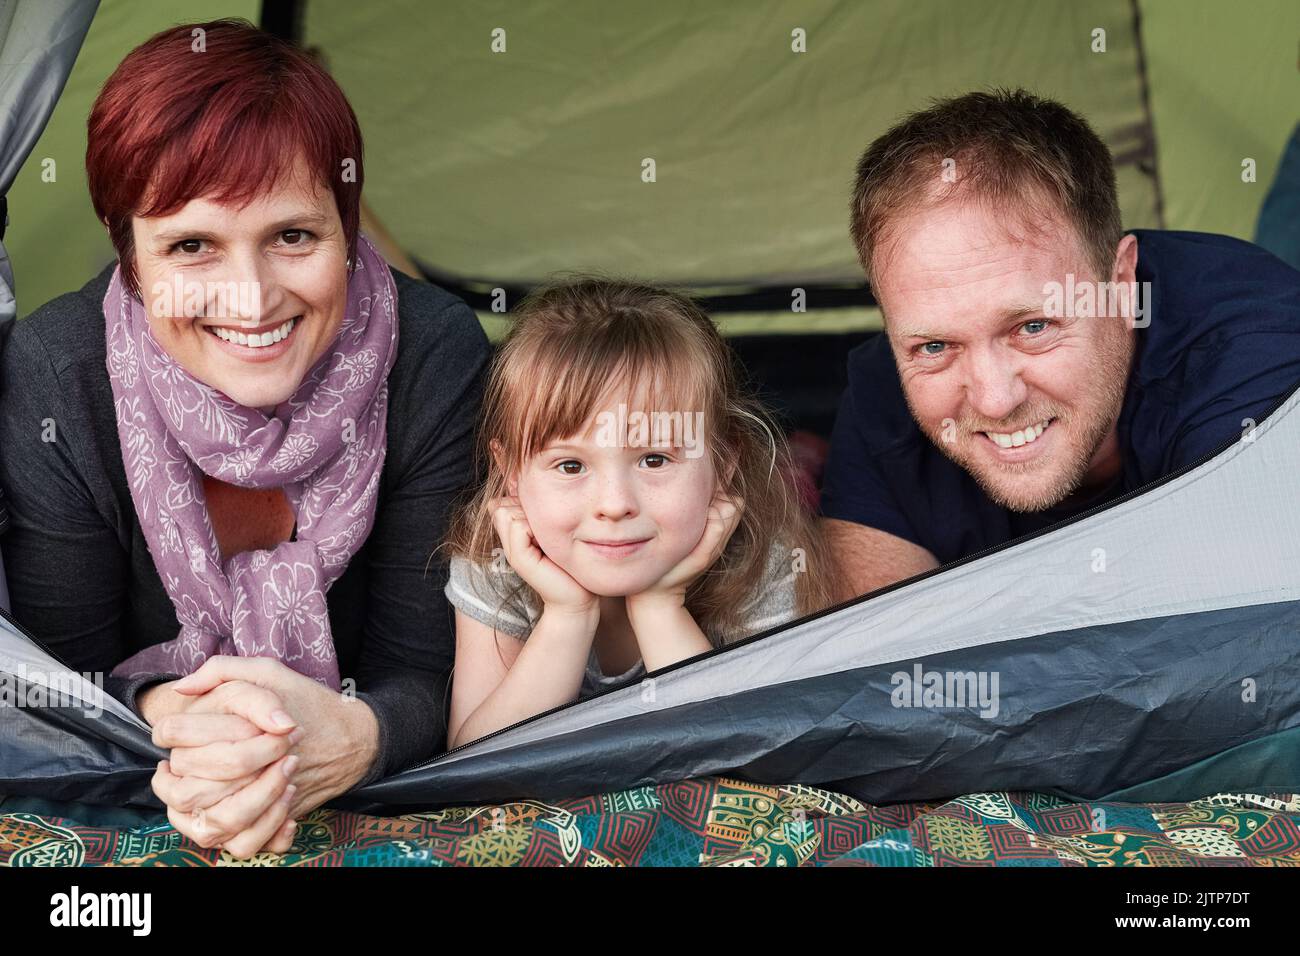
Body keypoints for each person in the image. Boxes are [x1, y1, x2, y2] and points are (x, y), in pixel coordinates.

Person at [0, 20, 490, 858]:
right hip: (168, 778)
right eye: (192, 245)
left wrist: (356, 736)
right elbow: (67, 682)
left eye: (293, 236)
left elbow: (432, 669)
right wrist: (180, 719)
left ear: (347, 227)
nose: (252, 299)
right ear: (130, 257)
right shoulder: (59, 376)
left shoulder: (433, 355)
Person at [821, 89, 1300, 600]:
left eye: (1032, 327)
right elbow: (882, 663)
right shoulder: (885, 389)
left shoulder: (1252, 358)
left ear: (1121, 285)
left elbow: (1228, 644)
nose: (994, 400)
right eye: (937, 345)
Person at [442, 279, 835, 748]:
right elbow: (474, 763)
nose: (614, 504)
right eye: (570, 465)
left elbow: (770, 756)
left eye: (654, 460)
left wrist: (660, 609)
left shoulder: (760, 562)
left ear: (723, 464)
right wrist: (567, 617)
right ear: (509, 474)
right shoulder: (495, 561)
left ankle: (806, 462)